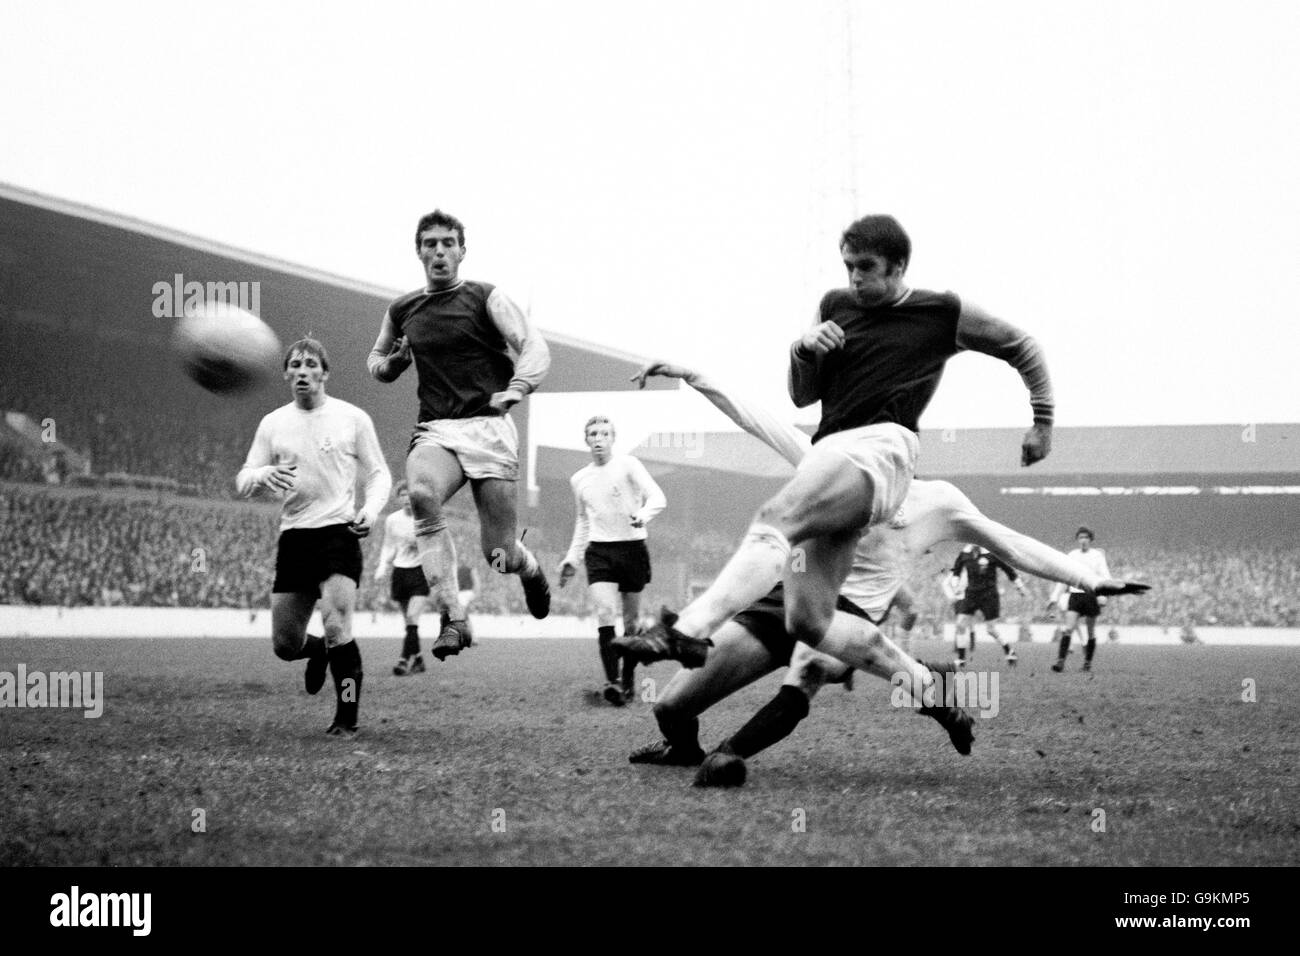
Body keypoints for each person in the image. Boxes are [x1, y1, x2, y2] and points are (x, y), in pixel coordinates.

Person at [624, 361, 1146, 787]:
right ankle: (683, 750)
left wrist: (1089, 580)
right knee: (671, 706)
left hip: (851, 617)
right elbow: (760, 421)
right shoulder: (834, 466)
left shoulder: (939, 502)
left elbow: (1010, 542)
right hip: (789, 599)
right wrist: (696, 375)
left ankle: (729, 755)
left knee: (805, 673)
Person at [616, 214, 1054, 673]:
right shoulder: (834, 305)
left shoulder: (941, 312)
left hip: (882, 456)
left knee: (776, 520)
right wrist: (803, 349)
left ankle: (686, 631)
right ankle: (932, 689)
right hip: (832, 454)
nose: (855, 277)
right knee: (808, 621)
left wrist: (1042, 420)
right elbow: (801, 395)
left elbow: (1021, 345)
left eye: (866, 266)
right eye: (848, 266)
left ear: (898, 266)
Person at [368, 209, 552, 661]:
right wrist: (390, 365)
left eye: (447, 243)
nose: (439, 251)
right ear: (418, 251)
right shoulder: (402, 309)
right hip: (437, 429)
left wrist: (517, 387)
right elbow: (375, 362)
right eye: (429, 243)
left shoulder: (486, 297)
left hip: (489, 426)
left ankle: (529, 569)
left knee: (499, 555)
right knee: (422, 494)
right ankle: (453, 617)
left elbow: (534, 345)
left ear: (462, 251)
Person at [236, 338, 392, 736]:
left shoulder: (352, 418)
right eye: (295, 365)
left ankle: (346, 718)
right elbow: (244, 478)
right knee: (285, 645)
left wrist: (370, 511)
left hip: (338, 534)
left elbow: (378, 474)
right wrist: (260, 475)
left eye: (310, 364)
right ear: (287, 373)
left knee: (337, 622)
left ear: (325, 373)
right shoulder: (273, 423)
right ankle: (317, 649)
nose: (302, 370)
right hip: (294, 538)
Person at [559, 415, 667, 706]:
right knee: (605, 614)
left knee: (631, 624)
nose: (598, 438)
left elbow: (658, 497)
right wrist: (573, 557)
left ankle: (629, 679)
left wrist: (643, 515)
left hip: (632, 549)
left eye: (604, 433)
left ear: (612, 438)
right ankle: (613, 682)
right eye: (592, 433)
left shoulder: (629, 465)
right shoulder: (579, 479)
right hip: (600, 552)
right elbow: (583, 520)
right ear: (586, 439)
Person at [373, 481, 433, 675]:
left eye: (410, 495)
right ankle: (419, 660)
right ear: (398, 498)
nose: (407, 499)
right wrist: (382, 566)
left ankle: (403, 660)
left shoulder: (426, 519)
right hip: (400, 572)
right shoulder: (392, 520)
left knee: (412, 617)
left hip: (420, 572)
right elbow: (388, 546)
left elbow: (436, 546)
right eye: (403, 495)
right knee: (409, 622)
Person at [1049, 527, 1114, 672]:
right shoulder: (1072, 555)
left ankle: (1087, 663)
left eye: (1086, 537)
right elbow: (1064, 577)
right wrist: (1054, 597)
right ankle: (1060, 662)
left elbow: (1105, 575)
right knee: (1068, 628)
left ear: (1090, 539)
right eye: (1080, 537)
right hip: (1076, 595)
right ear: (1078, 540)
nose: (1083, 540)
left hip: (1091, 595)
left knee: (1090, 631)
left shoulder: (1097, 556)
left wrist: (1104, 595)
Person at [950, 544, 1026, 667]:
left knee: (990, 629)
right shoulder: (965, 552)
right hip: (971, 594)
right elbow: (956, 570)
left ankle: (1008, 649)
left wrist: (1019, 586)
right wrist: (955, 586)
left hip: (989, 595)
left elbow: (1008, 569)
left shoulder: (992, 552)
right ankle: (961, 659)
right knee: (960, 623)